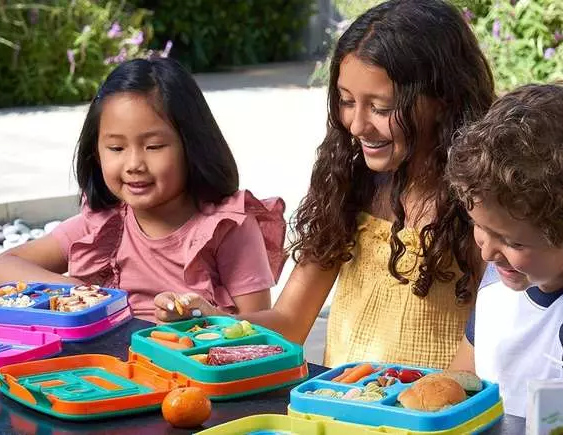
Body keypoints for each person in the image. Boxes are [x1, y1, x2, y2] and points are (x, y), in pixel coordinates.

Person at [155, 0, 495, 369]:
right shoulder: (351, 185)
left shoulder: (479, 206)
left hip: (435, 418)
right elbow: (289, 323)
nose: (356, 125)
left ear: (444, 100)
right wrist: (212, 321)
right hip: (337, 408)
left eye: (380, 108)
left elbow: (493, 343)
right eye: (347, 102)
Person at [0, 58, 287, 322]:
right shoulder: (104, 223)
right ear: (95, 151)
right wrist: (79, 290)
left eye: (153, 146)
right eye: (115, 147)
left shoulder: (227, 227)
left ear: (192, 146)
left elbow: (259, 334)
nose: (134, 164)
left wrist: (204, 317)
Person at [447, 83, 563, 417]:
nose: (487, 254)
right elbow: (461, 380)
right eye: (480, 227)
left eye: (514, 242)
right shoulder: (502, 283)